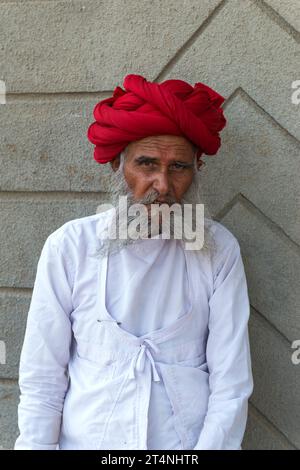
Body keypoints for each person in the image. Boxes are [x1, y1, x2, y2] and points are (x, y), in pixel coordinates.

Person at [14, 74, 253, 450]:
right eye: (146, 164)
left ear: (197, 169)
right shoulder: (70, 247)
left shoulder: (219, 251)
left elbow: (231, 385)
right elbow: (43, 379)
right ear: (117, 165)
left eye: (178, 167)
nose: (161, 184)